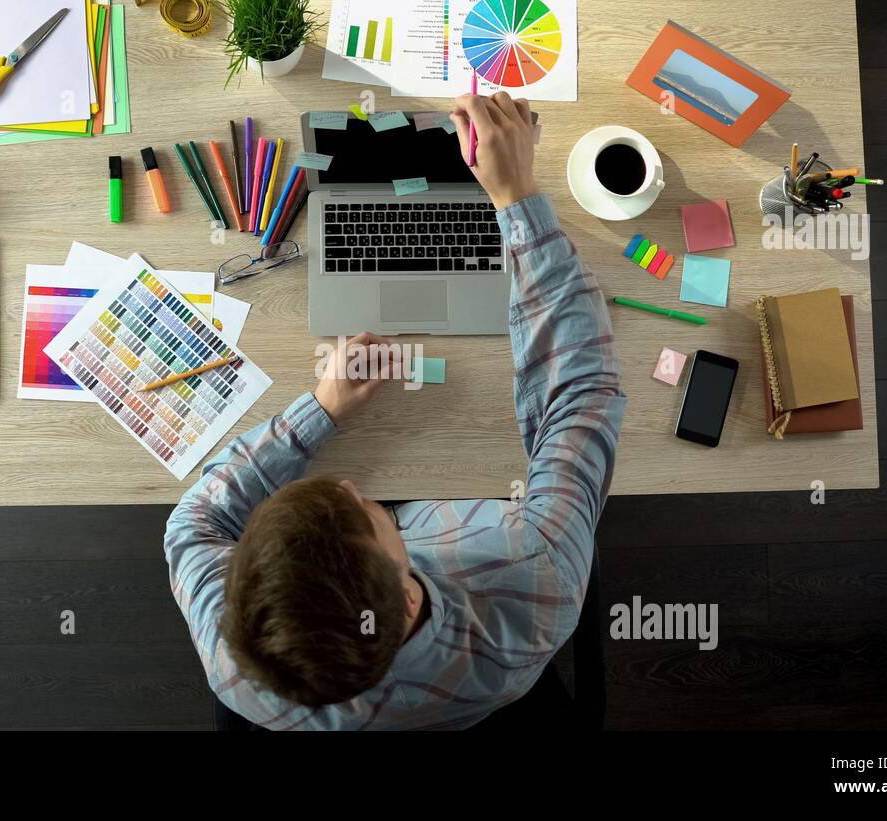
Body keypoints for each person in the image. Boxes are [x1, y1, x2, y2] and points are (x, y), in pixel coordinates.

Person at [163, 91, 627, 730]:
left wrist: (320, 410)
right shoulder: (534, 571)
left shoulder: (234, 661)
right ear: (408, 595)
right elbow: (581, 392)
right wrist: (517, 194)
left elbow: (192, 523)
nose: (354, 487)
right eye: (365, 513)